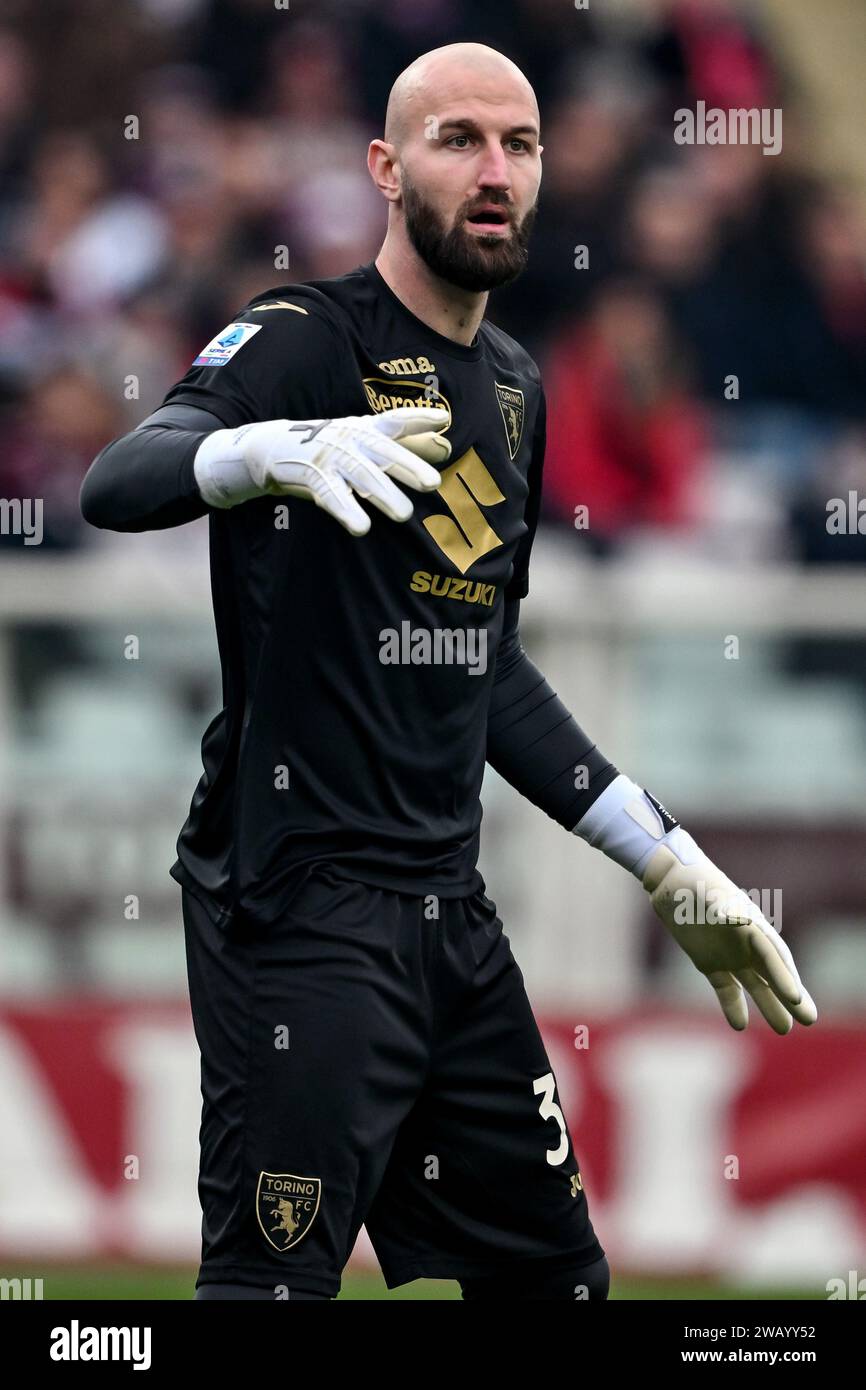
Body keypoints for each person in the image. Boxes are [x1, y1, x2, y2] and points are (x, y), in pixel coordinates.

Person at [79, 42, 816, 1302]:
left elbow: (488, 669)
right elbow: (117, 481)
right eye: (456, 140)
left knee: (560, 1284)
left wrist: (663, 858)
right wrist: (263, 450)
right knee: (265, 1289)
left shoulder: (517, 389)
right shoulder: (300, 336)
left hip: (449, 922)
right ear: (384, 165)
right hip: (301, 911)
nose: (493, 172)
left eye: (518, 146)